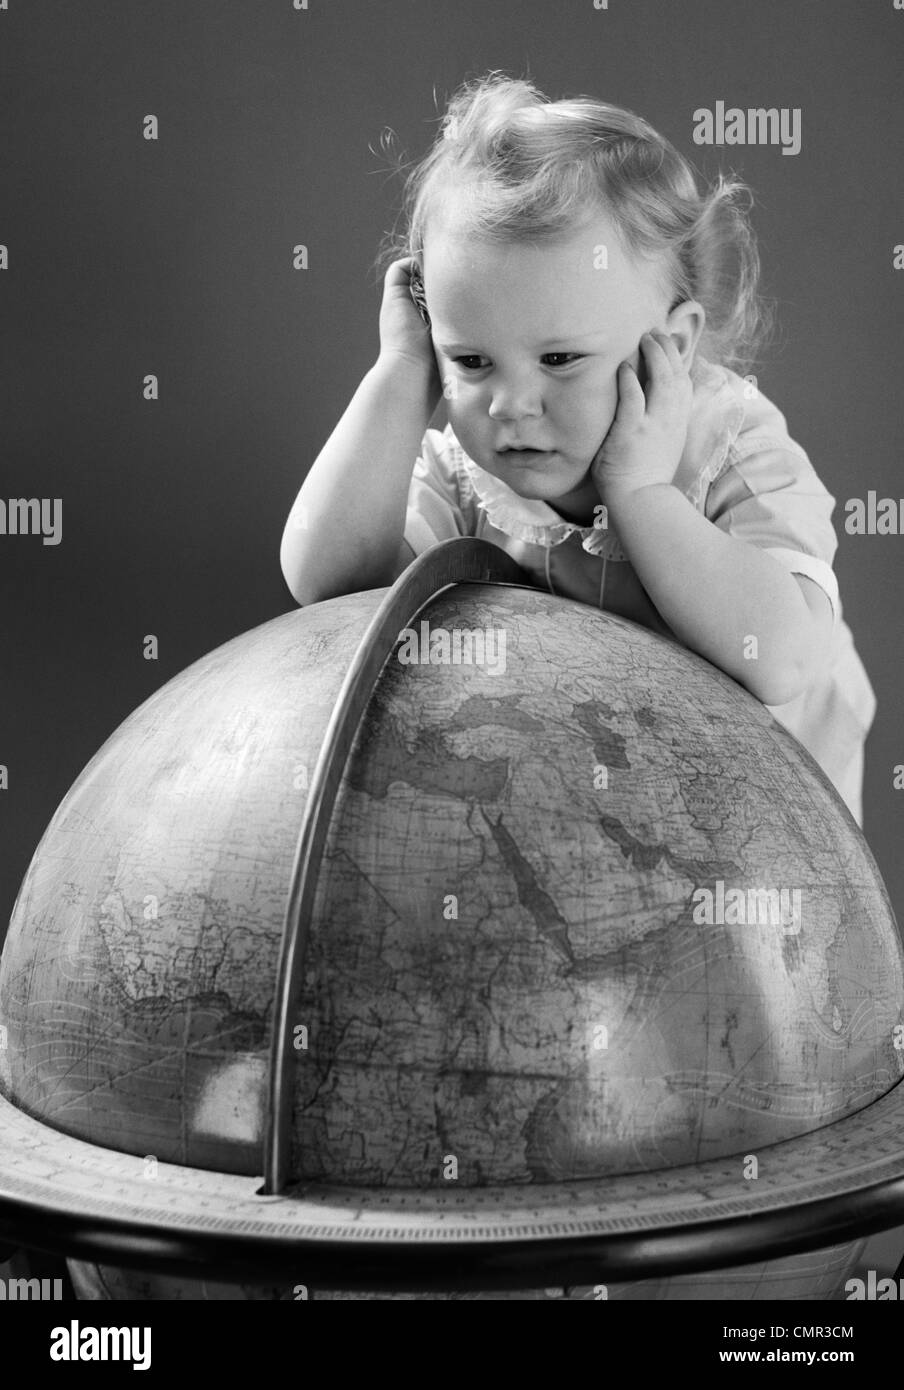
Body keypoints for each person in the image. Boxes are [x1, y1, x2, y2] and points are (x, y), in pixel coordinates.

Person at [280, 72, 876, 826]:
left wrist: (643, 496)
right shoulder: (468, 475)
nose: (512, 404)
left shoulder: (730, 448)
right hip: (588, 817)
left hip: (760, 830)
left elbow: (781, 657)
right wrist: (399, 373)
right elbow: (324, 582)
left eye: (560, 360)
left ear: (674, 344)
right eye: (470, 361)